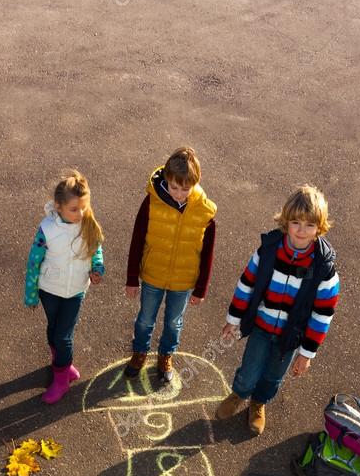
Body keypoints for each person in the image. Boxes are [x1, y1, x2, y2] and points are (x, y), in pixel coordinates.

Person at [215, 184, 340, 435]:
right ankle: (239, 393)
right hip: (262, 326)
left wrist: (307, 353)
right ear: (285, 221)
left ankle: (258, 403)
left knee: (273, 376)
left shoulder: (323, 268)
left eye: (309, 225)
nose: (301, 231)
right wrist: (234, 318)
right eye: (295, 223)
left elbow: (323, 314)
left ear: (319, 227)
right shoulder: (270, 250)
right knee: (249, 370)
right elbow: (247, 283)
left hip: (290, 336)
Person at [124, 146, 216, 383]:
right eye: (174, 187)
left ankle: (166, 355)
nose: (179, 194)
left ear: (195, 183)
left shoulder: (205, 212)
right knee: (145, 319)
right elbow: (137, 239)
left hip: (183, 280)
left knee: (174, 323)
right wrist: (132, 278)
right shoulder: (152, 202)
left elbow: (208, 253)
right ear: (166, 179)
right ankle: (140, 352)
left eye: (185, 189)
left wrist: (201, 289)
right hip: (153, 273)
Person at [25, 170, 104, 404]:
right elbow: (34, 261)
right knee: (53, 329)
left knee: (63, 336)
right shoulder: (47, 229)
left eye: (83, 208)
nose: (80, 214)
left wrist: (97, 267)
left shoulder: (87, 224)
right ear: (58, 206)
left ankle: (61, 380)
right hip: (49, 289)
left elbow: (96, 248)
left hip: (76, 290)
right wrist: (31, 294)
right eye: (74, 209)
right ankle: (62, 364)